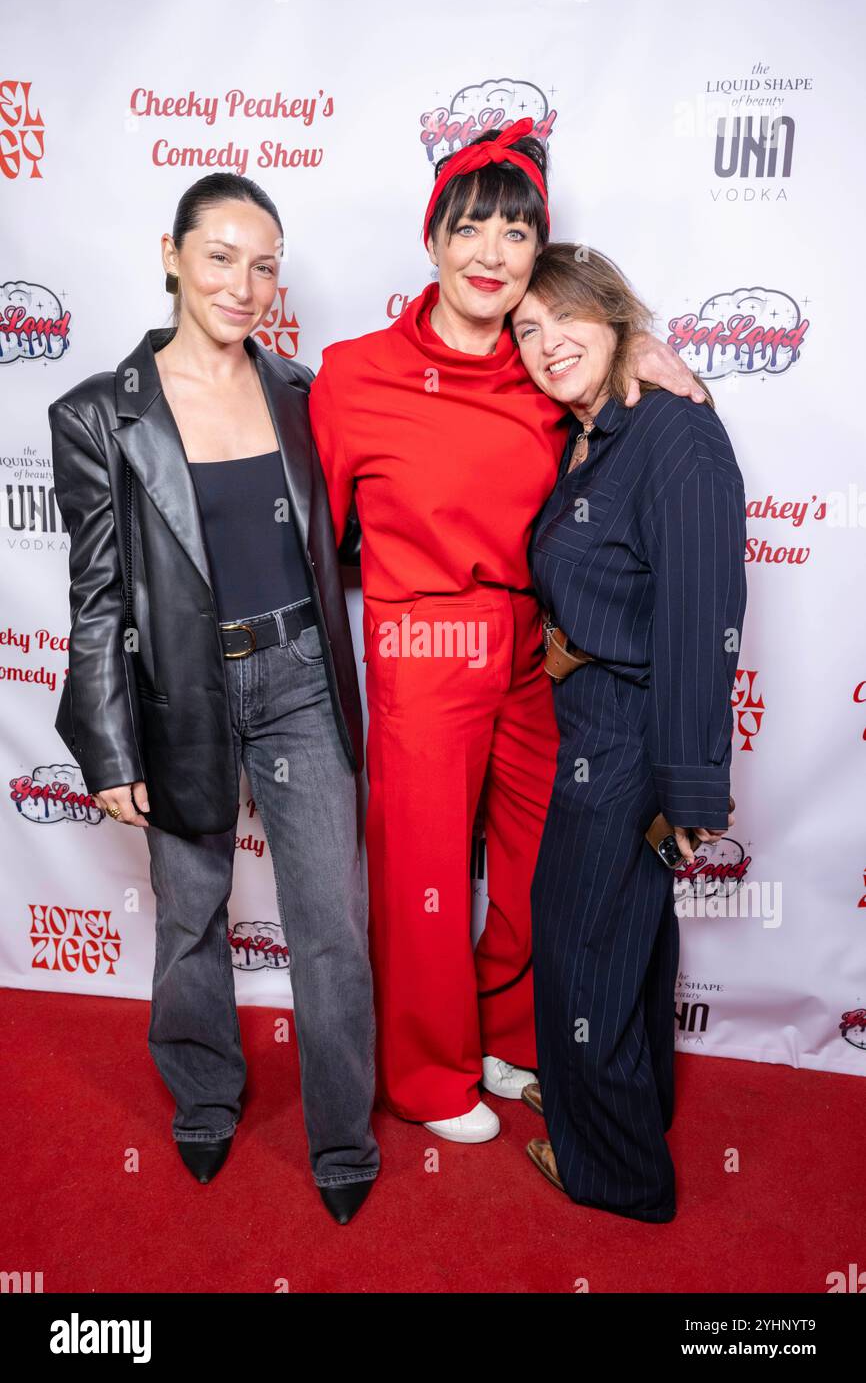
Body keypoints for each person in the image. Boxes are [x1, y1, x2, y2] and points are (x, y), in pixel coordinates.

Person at [308, 119, 707, 1144]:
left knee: (543, 862)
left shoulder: (544, 368)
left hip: (534, 649)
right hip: (421, 642)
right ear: (431, 239)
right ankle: (427, 1073)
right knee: (428, 875)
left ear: (537, 252)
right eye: (471, 227)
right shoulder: (353, 376)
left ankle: (510, 1034)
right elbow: (311, 532)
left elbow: (606, 397)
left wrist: (646, 349)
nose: (491, 252)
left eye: (516, 233)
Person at [49, 172, 378, 1224]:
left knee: (329, 919)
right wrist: (107, 745)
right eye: (224, 255)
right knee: (190, 913)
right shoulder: (101, 414)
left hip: (299, 681)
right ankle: (202, 1096)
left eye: (266, 262)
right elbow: (97, 594)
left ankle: (341, 1130)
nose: (247, 282)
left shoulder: (299, 390)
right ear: (174, 255)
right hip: (181, 686)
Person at [511, 243, 747, 1221]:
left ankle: (611, 1168)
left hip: (629, 733)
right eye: (525, 330)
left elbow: (700, 617)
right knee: (626, 938)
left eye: (564, 317)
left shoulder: (672, 439)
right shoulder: (598, 427)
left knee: (579, 939)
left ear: (613, 315)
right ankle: (608, 1098)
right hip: (593, 724)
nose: (543, 341)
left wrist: (690, 788)